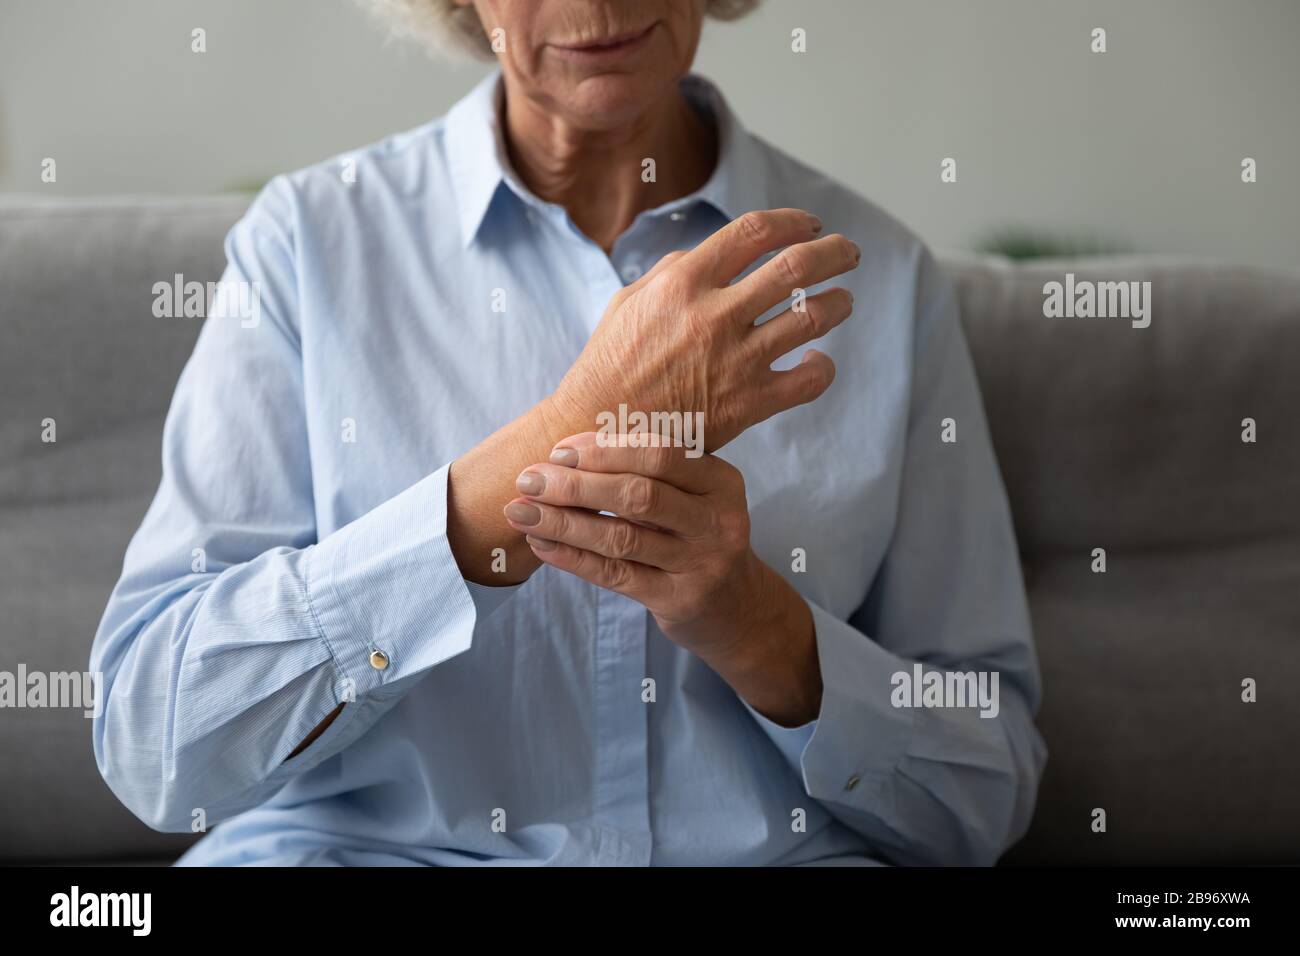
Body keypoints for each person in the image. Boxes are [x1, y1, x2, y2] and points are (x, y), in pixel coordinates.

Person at [91, 0, 1046, 866]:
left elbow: (985, 793)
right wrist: (547, 454)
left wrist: (761, 630)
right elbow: (155, 744)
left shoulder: (880, 281)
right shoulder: (307, 246)